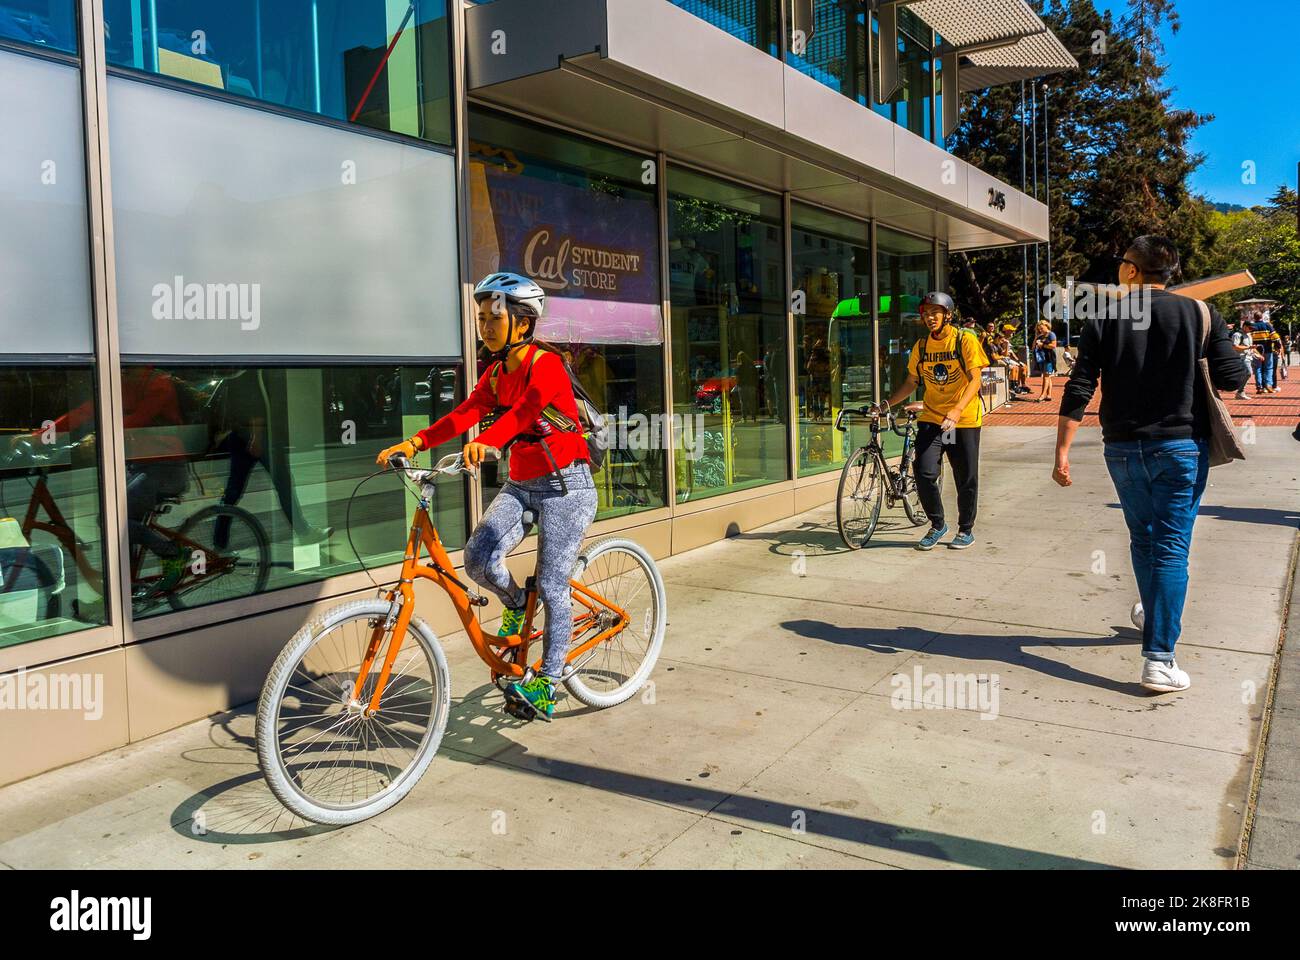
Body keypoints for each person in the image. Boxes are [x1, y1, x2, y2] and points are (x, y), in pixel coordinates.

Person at [375, 273, 597, 722]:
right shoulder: (496, 373)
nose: (485, 325)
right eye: (480, 317)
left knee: (553, 587)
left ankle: (549, 682)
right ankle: (516, 604)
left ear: (522, 322)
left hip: (565, 486)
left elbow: (526, 411)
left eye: (494, 317)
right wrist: (414, 443)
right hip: (521, 483)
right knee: (477, 558)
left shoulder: (545, 365)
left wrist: (490, 440)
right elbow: (466, 412)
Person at [1053, 236, 1247, 693]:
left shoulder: (1105, 319)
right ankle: (1159, 658)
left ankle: (1150, 614)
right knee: (1172, 546)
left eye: (1122, 263)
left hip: (1120, 447)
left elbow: (1079, 386)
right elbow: (1233, 378)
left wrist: (1061, 453)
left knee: (1144, 536)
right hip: (1181, 446)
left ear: (1133, 271)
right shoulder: (1198, 313)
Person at [881, 291, 988, 550]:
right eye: (926, 314)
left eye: (935, 313)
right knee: (924, 472)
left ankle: (966, 529)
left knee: (966, 477)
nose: (930, 318)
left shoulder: (965, 340)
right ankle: (938, 524)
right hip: (932, 418)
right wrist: (886, 404)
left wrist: (957, 411)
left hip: (963, 420)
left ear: (948, 315)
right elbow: (911, 382)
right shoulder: (922, 347)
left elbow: (975, 380)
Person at [1249, 312, 1279, 394]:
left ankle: (1259, 387)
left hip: (1256, 351)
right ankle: (1269, 385)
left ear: (1254, 318)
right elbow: (1275, 337)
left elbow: (1249, 339)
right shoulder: (1267, 325)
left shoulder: (1252, 327)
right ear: (1262, 317)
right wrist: (1278, 347)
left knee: (1258, 369)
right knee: (1268, 368)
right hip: (1268, 350)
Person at [1229, 317, 1256, 399]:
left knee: (1247, 374)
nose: (1251, 330)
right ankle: (1240, 391)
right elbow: (1234, 347)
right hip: (1240, 358)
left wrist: (1257, 354)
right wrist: (1248, 347)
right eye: (1250, 328)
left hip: (1248, 358)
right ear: (1244, 326)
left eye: (1252, 328)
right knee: (1248, 373)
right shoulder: (1237, 335)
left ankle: (1240, 391)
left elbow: (1250, 347)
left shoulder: (1249, 335)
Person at [1032, 320, 1058, 403]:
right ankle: (1049, 395)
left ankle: (1042, 395)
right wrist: (1036, 337)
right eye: (1039, 329)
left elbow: (1053, 346)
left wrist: (1042, 345)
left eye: (1041, 328)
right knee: (1048, 376)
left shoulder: (1051, 334)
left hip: (1049, 358)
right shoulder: (1040, 336)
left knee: (1045, 376)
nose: (1040, 330)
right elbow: (1033, 347)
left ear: (1046, 326)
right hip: (1042, 358)